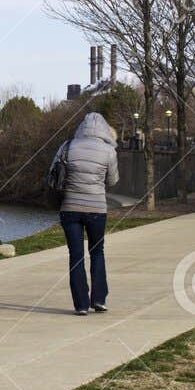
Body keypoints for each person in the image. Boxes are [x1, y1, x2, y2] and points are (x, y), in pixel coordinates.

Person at [54, 111, 120, 315]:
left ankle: (81, 304)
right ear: (104, 130)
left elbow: (54, 175)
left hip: (70, 207)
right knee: (97, 252)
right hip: (96, 209)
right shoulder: (109, 151)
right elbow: (112, 181)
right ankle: (99, 299)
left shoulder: (67, 146)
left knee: (76, 255)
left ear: (81, 128)